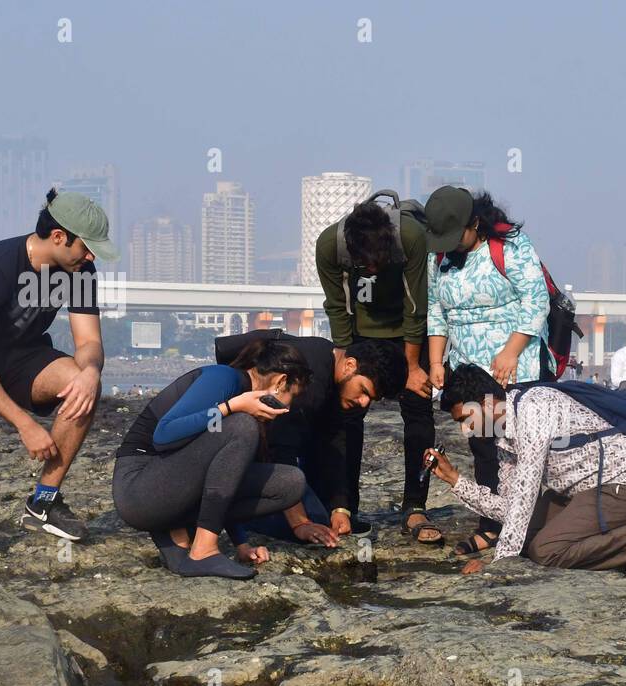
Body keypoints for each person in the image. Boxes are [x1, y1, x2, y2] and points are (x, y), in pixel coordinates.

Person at [0, 188, 117, 551]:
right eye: (86, 246)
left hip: (20, 356)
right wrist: (24, 424)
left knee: (82, 383)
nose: (91, 255)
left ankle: (43, 502)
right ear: (59, 236)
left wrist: (91, 372)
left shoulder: (80, 270)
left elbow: (88, 343)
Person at [425, 364, 626, 573]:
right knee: (527, 537)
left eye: (464, 419)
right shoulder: (503, 435)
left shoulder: (534, 407)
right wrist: (455, 480)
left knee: (546, 550)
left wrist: (498, 567)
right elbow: (512, 510)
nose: (464, 429)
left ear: (486, 404)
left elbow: (525, 495)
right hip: (589, 491)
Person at [111, 336, 310, 580]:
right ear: (281, 381)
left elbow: (225, 473)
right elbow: (164, 435)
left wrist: (241, 544)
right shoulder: (224, 378)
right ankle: (203, 548)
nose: (290, 408)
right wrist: (230, 407)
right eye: (294, 396)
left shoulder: (243, 400)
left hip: (173, 488)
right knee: (242, 426)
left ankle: (175, 529)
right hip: (140, 488)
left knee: (290, 483)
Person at [424, 187, 552, 557]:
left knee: (521, 447)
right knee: (483, 446)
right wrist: (436, 362)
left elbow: (535, 299)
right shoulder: (442, 258)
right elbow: (436, 310)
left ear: (475, 224)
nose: (447, 244)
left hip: (515, 367)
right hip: (468, 369)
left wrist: (511, 351)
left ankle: (530, 519)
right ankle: (491, 524)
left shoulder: (509, 246)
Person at [212, 331, 407, 546]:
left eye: (372, 399)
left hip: (257, 452)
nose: (363, 403)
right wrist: (300, 523)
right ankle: (225, 514)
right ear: (350, 365)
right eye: (363, 391)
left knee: (323, 518)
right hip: (228, 453)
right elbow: (279, 450)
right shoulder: (311, 379)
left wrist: (340, 508)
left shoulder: (330, 361)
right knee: (313, 523)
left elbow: (334, 441)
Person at [317, 192, 435, 544]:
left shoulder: (411, 237)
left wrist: (413, 367)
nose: (370, 270)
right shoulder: (330, 245)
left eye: (376, 264)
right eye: (363, 265)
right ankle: (343, 507)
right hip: (359, 335)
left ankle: (415, 505)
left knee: (418, 410)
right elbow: (337, 307)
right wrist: (342, 357)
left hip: (409, 333)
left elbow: (417, 307)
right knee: (347, 415)